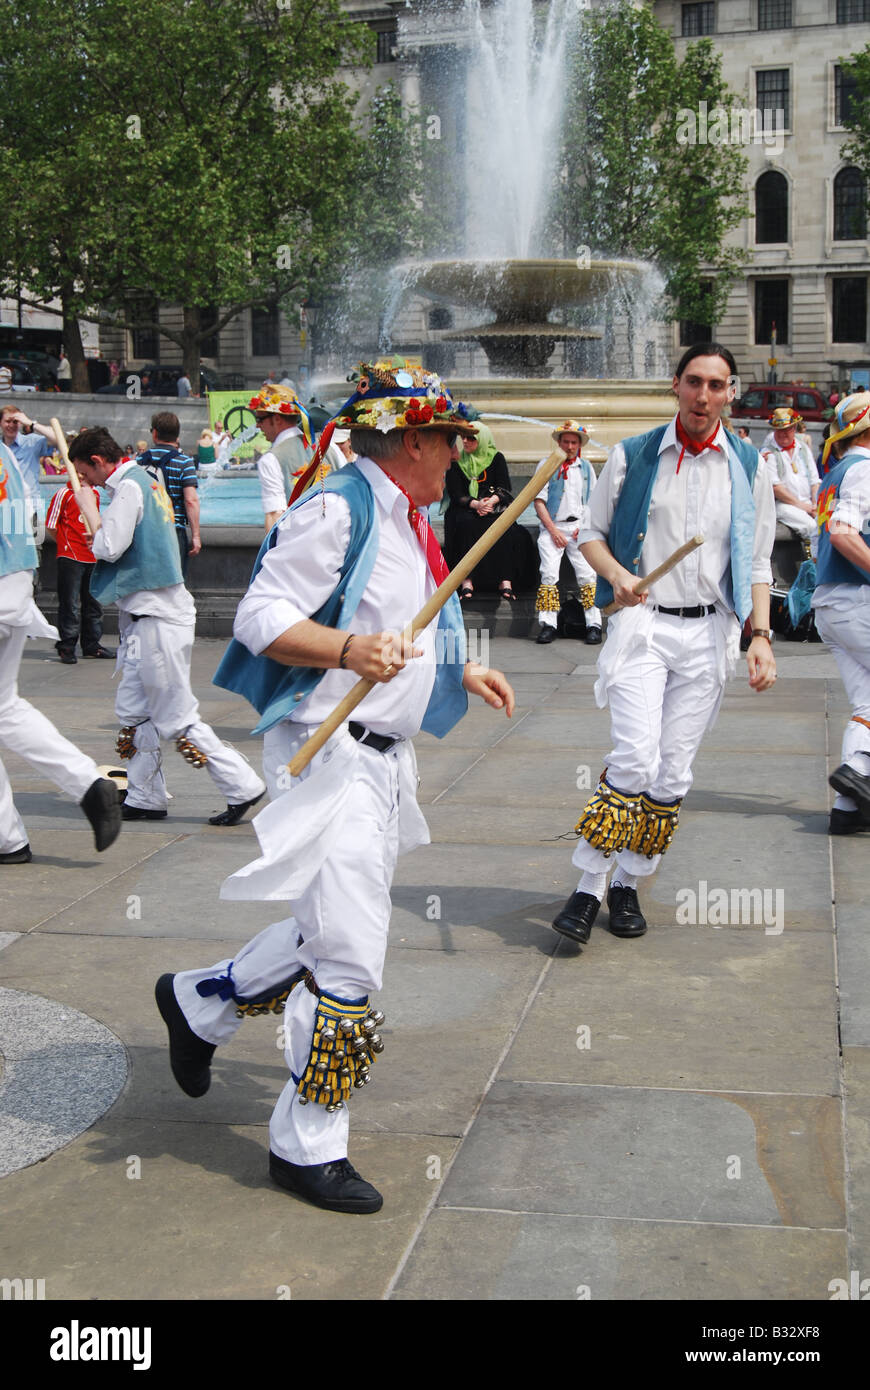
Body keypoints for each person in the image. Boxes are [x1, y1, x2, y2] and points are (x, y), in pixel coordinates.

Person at [155, 359, 515, 1215]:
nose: (464, 453)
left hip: (384, 756)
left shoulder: (408, 515)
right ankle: (306, 1142)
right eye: (455, 439)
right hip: (325, 757)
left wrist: (458, 674)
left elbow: (402, 625)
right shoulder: (338, 506)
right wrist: (350, 652)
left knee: (325, 927)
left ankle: (202, 998)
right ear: (417, 439)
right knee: (351, 953)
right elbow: (260, 618)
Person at [551, 344, 777, 946]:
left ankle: (629, 881)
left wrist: (761, 636)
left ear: (732, 393)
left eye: (717, 385)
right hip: (644, 626)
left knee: (673, 772)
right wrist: (619, 577)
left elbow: (756, 562)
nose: (704, 396)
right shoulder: (632, 455)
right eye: (695, 382)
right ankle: (588, 886)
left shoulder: (751, 465)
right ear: (675, 385)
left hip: (709, 631)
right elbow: (590, 535)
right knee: (634, 758)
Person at [68, 428, 266, 827]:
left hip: (158, 618)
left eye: (83, 472)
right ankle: (146, 796)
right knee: (134, 710)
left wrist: (89, 509)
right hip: (147, 617)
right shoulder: (145, 479)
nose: (84, 480)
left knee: (175, 716)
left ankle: (242, 784)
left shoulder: (128, 489)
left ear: (97, 461)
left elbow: (109, 547)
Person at [0, 439, 121, 864]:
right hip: (13, 582)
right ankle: (83, 789)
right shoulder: (6, 453)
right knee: (3, 706)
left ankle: (8, 835)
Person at [813, 393, 870, 835]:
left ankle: (847, 804)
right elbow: (842, 532)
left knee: (867, 703)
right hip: (858, 600)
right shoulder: (866, 470)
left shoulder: (836, 471)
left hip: (832, 603)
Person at [443, 422, 532, 602]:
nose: (466, 442)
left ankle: (505, 581)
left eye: (471, 439)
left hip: (492, 505)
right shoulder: (457, 459)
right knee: (466, 524)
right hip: (466, 507)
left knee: (505, 528)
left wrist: (491, 502)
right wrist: (476, 504)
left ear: (482, 440)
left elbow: (505, 487)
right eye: (464, 438)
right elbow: (456, 493)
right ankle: (466, 581)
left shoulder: (496, 458)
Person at [533, 420, 603, 645]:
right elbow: (538, 500)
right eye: (566, 442)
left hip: (577, 529)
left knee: (588, 575)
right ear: (559, 443)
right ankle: (548, 624)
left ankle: (594, 623)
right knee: (549, 575)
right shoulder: (547, 465)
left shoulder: (586, 467)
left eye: (574, 442)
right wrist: (553, 531)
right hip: (553, 527)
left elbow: (594, 500)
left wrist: (583, 527)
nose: (570, 446)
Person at [45, 472, 113, 663]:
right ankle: (67, 645)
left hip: (91, 555)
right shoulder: (64, 493)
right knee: (70, 604)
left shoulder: (95, 494)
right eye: (78, 472)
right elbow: (51, 524)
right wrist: (66, 542)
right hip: (71, 555)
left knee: (93, 602)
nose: (82, 476)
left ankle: (91, 644)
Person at [137, 412, 201, 577]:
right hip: (173, 530)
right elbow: (191, 500)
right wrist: (195, 535)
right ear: (177, 435)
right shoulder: (184, 462)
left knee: (148, 583)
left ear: (155, 433)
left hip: (146, 531)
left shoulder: (139, 462)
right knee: (175, 583)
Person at [252, 384, 315, 531]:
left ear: (277, 419)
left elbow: (275, 517)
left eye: (260, 419)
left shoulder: (271, 460)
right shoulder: (330, 448)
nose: (257, 426)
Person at [761, 407, 820, 558]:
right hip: (781, 505)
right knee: (810, 527)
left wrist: (815, 503)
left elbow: (814, 480)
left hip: (806, 503)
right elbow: (776, 488)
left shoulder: (803, 448)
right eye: (779, 430)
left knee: (828, 522)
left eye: (787, 429)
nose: (783, 434)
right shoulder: (769, 453)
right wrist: (804, 507)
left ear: (794, 428)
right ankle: (815, 565)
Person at [0, 406, 58, 516]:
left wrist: (31, 423)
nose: (11, 425)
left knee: (37, 534)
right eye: (8, 421)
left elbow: (57, 439)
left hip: (33, 507)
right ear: (0, 423)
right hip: (5, 508)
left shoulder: (32, 441)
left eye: (16, 421)